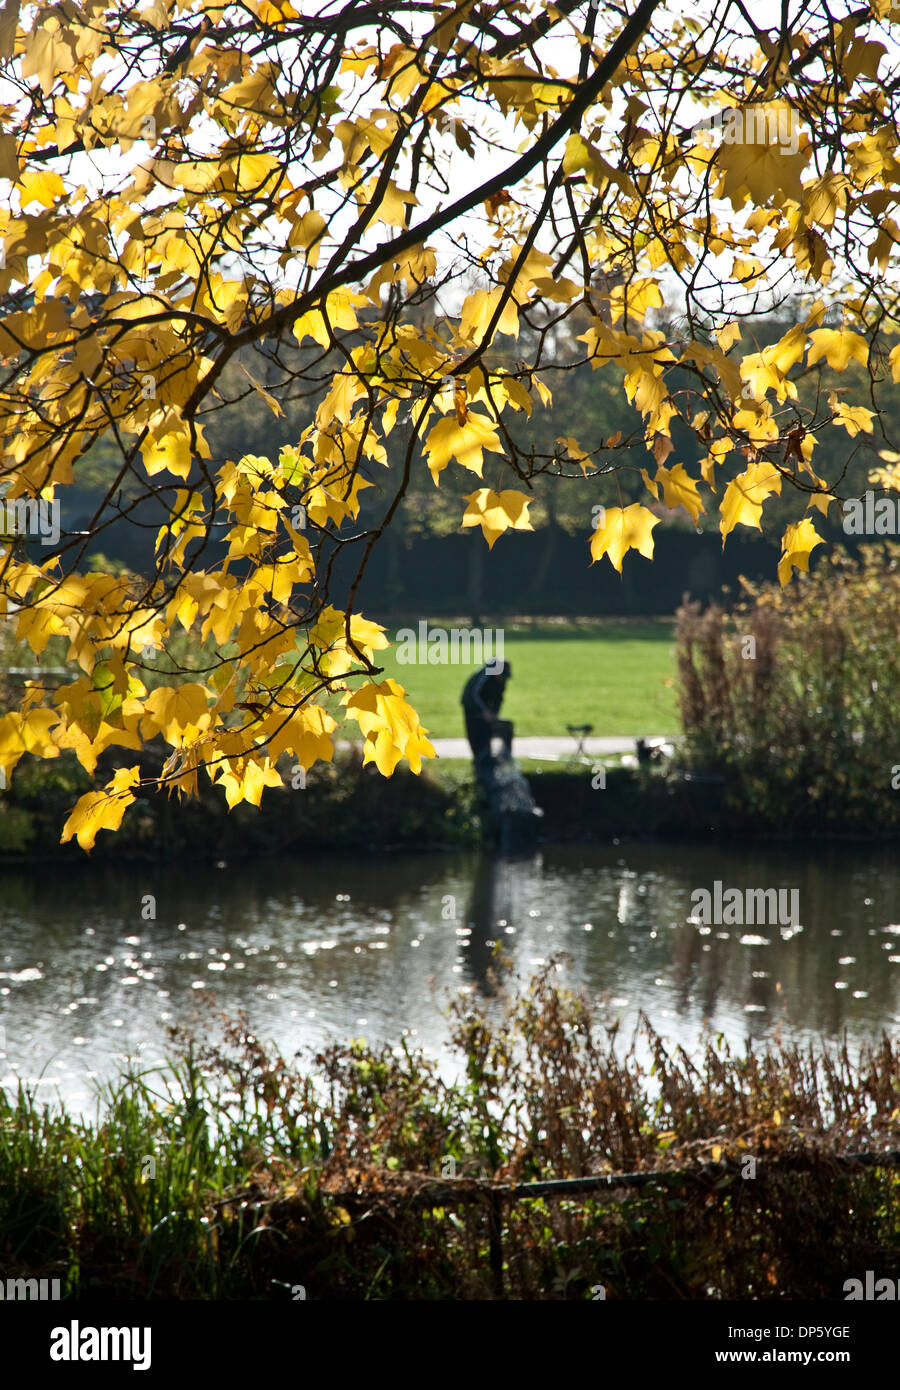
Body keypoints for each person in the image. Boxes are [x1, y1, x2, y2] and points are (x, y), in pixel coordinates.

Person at [462, 660, 513, 772]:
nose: (502, 679)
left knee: (488, 731)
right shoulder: (485, 675)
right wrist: (484, 711)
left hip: (485, 705)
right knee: (476, 734)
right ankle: (479, 764)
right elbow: (474, 694)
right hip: (471, 705)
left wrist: (494, 713)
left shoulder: (501, 680)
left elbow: (499, 698)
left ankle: (489, 761)